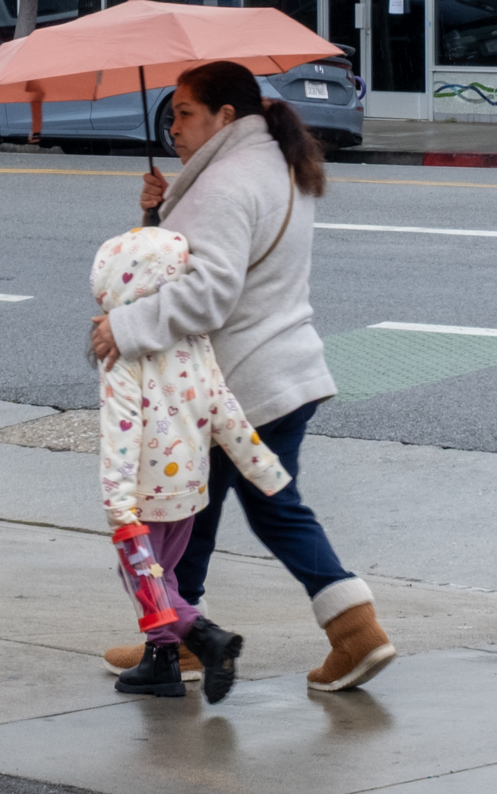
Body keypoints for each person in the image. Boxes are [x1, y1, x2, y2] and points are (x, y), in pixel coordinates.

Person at [88, 60, 397, 693]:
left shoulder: (224, 184)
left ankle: (348, 630)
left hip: (239, 382)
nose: (173, 127)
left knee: (222, 510)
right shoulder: (273, 163)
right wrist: (162, 211)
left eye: (186, 113)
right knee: (215, 513)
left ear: (225, 116)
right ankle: (186, 642)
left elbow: (210, 291)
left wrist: (125, 326)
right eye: (172, 114)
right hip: (283, 370)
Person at [90, 225, 290, 703]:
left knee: (141, 576)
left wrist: (118, 502)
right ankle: (162, 663)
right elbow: (224, 409)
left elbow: (121, 431)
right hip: (190, 488)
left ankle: (204, 636)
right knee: (166, 572)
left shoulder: (122, 351)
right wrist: (264, 469)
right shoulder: (195, 341)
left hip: (145, 494)